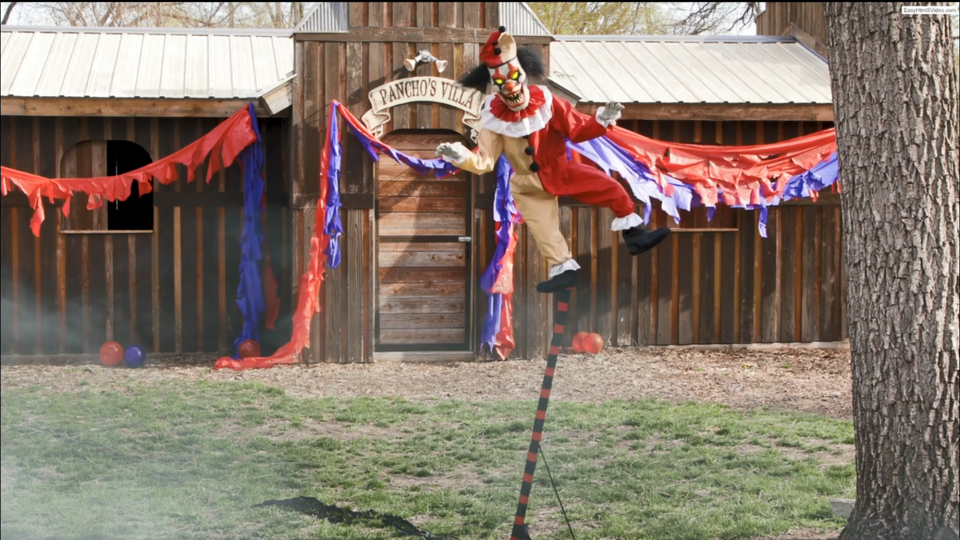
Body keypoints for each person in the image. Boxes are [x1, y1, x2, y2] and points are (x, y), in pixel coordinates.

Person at [437, 27, 670, 293]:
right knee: (544, 231)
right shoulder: (492, 117)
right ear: (496, 88)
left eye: (513, 78)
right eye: (501, 84)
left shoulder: (547, 101)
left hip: (559, 169)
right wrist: (461, 155)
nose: (509, 88)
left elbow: (578, 130)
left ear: (522, 76)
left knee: (609, 187)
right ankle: (564, 270)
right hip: (526, 184)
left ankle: (635, 236)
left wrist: (602, 117)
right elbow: (485, 161)